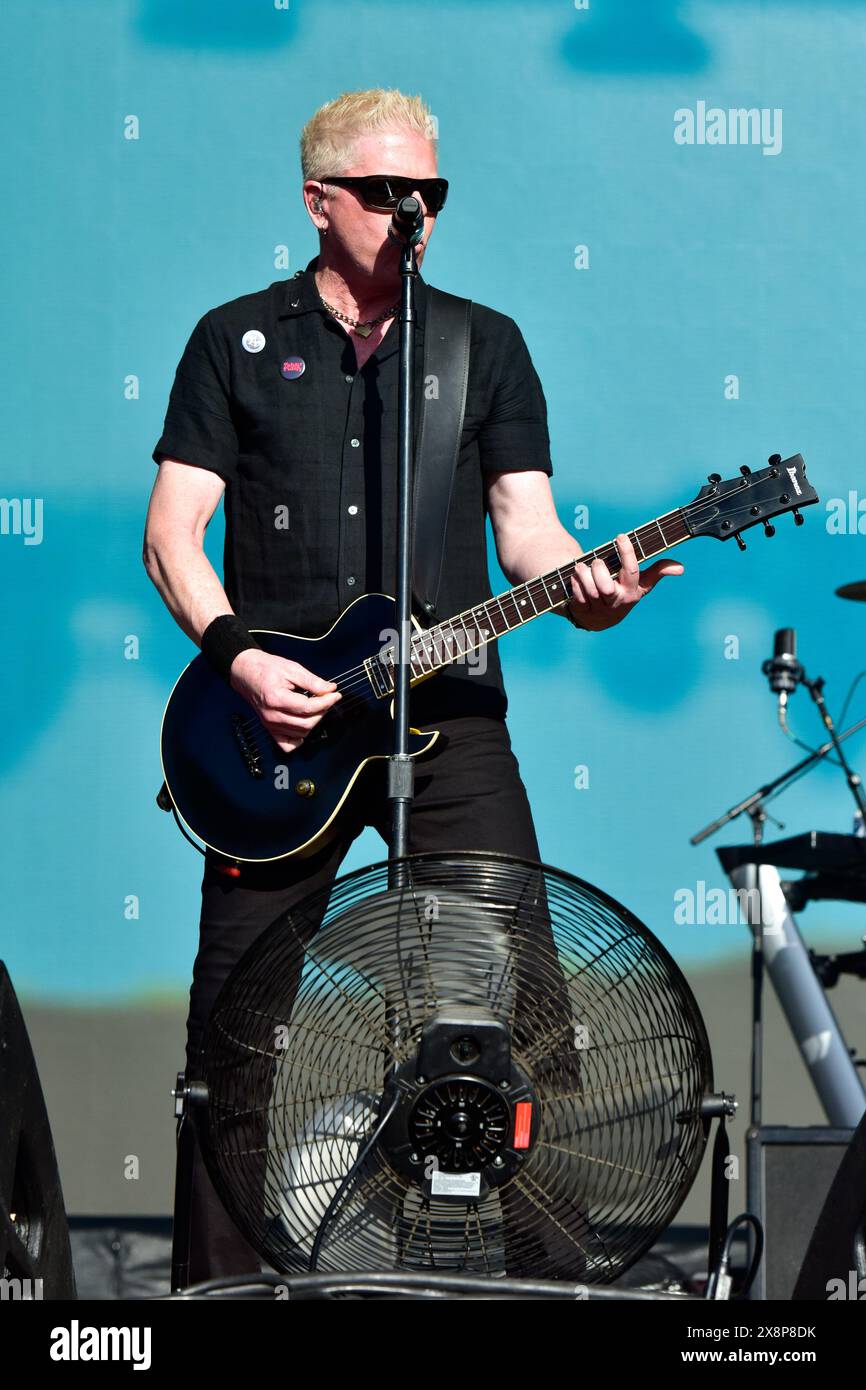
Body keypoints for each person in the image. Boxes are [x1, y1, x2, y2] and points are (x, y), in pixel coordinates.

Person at [143, 88, 684, 1282]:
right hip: (271, 734)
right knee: (237, 1019)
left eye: (429, 192)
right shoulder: (231, 340)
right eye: (389, 192)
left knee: (524, 1000)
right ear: (317, 200)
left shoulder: (479, 344)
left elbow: (525, 532)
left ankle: (539, 1274)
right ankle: (218, 1282)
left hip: (448, 718)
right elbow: (172, 535)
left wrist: (585, 586)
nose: (413, 212)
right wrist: (238, 650)